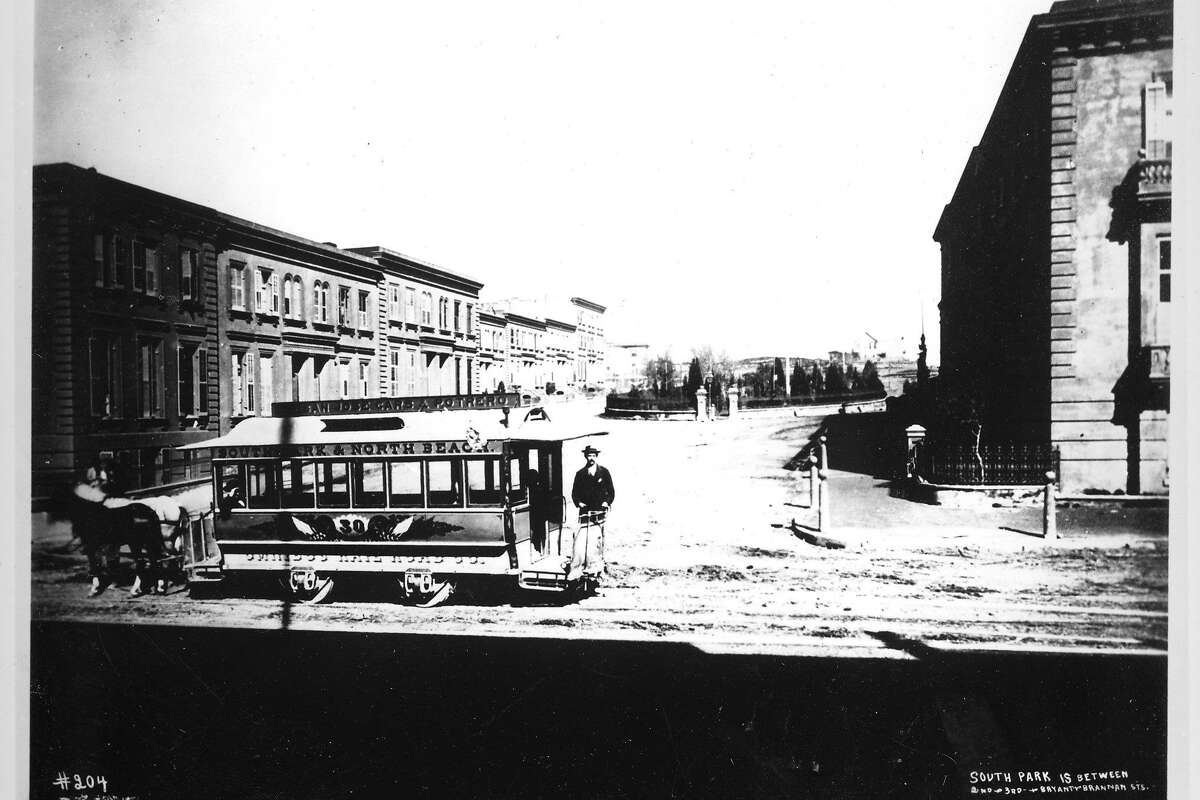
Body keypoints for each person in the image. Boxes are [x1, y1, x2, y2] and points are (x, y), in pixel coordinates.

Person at [571, 445, 614, 524]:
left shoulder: (604, 472)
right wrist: (579, 503)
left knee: (599, 533)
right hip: (586, 510)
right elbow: (575, 493)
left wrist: (606, 502)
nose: (591, 458)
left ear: (596, 457)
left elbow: (611, 492)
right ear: (586, 457)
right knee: (584, 533)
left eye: (594, 455)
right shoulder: (580, 474)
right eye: (589, 455)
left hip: (600, 509)